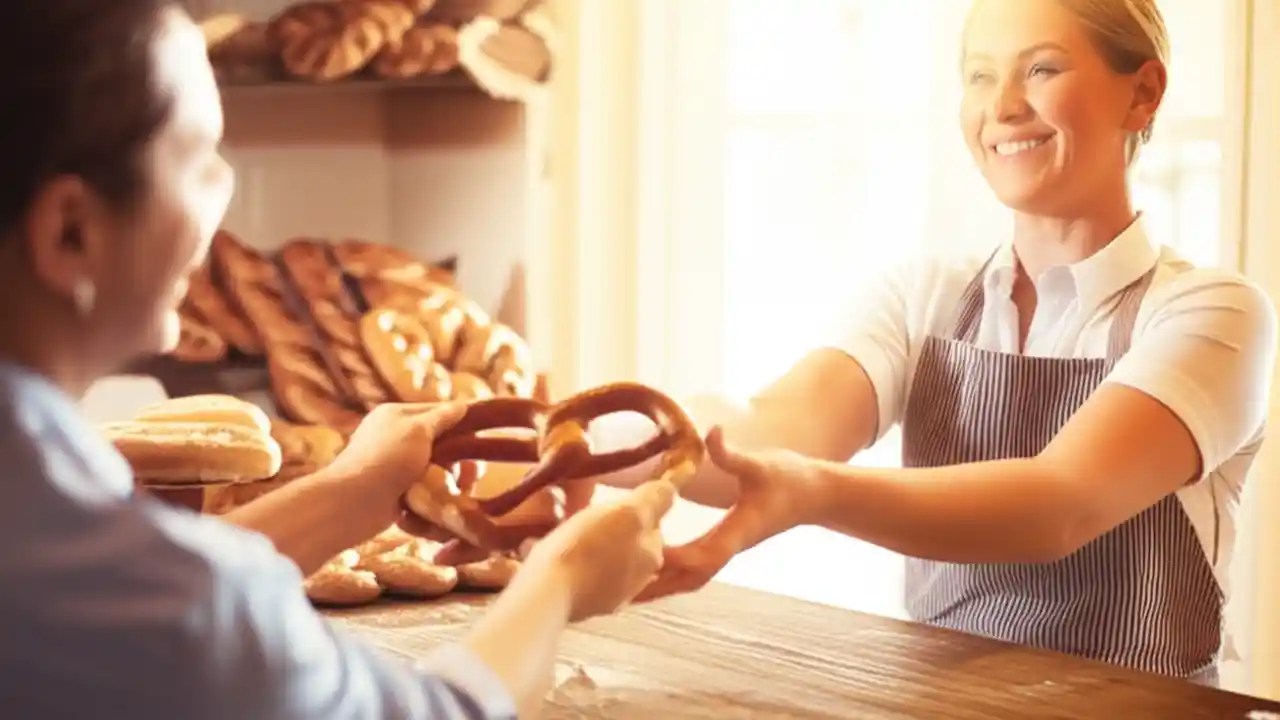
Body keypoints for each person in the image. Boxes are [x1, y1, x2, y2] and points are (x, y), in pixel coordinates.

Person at [0, 3, 676, 718]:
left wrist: (352, 487)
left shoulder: (60, 542)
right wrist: (563, 581)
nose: (224, 197)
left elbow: (145, 599)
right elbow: (440, 711)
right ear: (70, 232)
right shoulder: (164, 604)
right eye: (199, 160)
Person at [573, 0, 1277, 686]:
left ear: (1143, 93)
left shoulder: (1213, 314)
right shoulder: (924, 297)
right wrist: (574, 433)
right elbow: (770, 433)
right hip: (936, 702)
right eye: (978, 75)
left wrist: (812, 493)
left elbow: (1058, 505)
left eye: (1041, 69)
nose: (1001, 106)